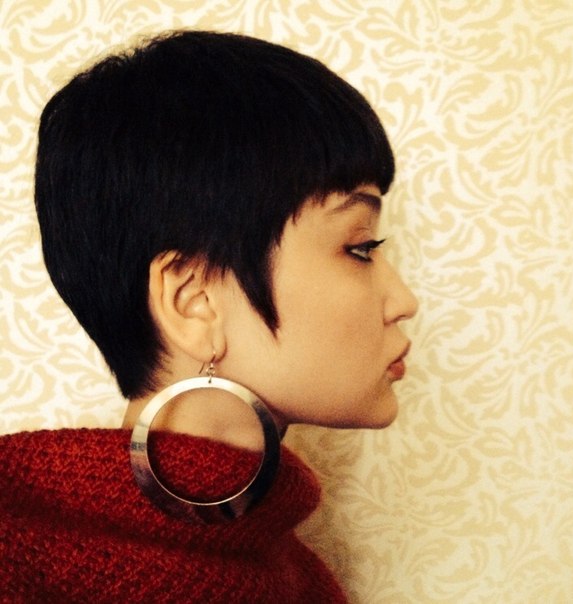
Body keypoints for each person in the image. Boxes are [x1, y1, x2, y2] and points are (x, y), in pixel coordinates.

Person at [0, 30, 418, 602]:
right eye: (361, 247)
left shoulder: (297, 576)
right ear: (194, 301)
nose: (404, 301)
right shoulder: (19, 567)